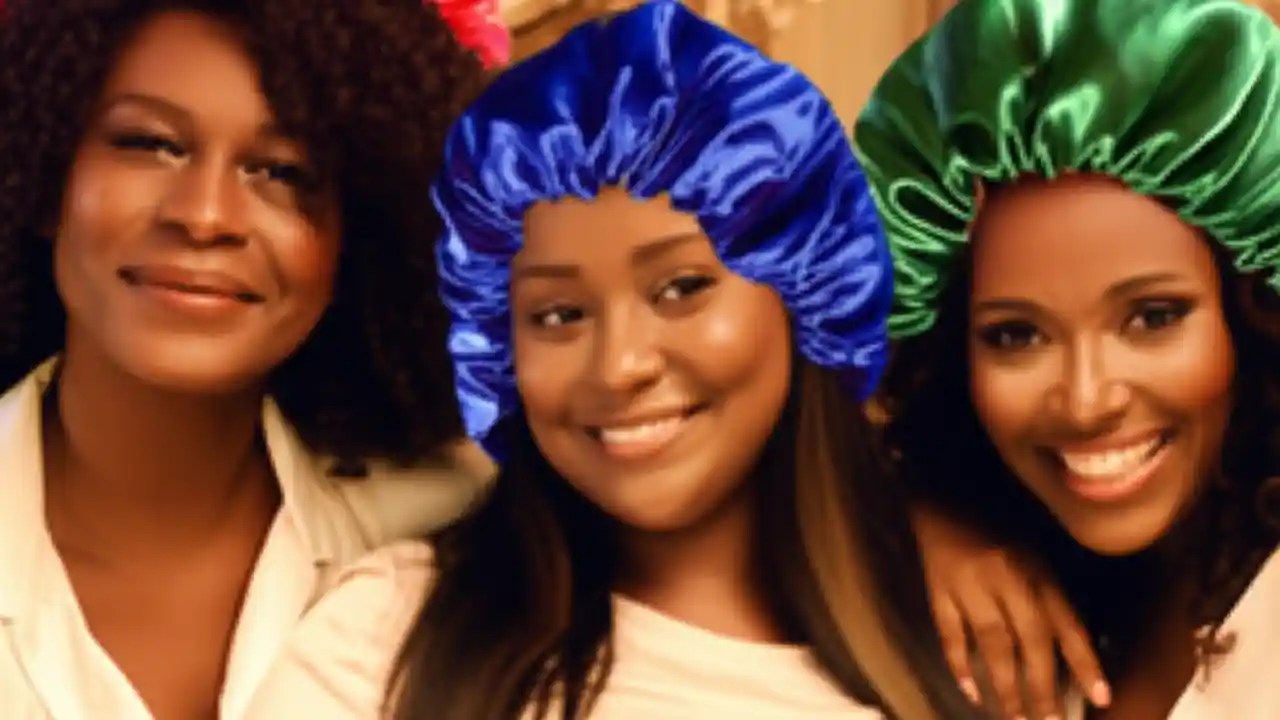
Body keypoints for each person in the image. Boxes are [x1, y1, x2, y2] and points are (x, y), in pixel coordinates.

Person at [243, 2, 982, 719]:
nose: (619, 365)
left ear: (805, 291)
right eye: (558, 315)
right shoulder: (386, 639)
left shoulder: (974, 653)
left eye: (682, 288)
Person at [0, 1, 502, 718]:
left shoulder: (459, 537)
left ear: (357, 237)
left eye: (283, 170)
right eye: (149, 143)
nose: (204, 215)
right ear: (46, 177)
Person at [854, 0, 1280, 718]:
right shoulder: (1048, 580)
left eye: (1153, 318)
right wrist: (917, 526)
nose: (1086, 400)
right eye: (1016, 336)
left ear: (1255, 322)